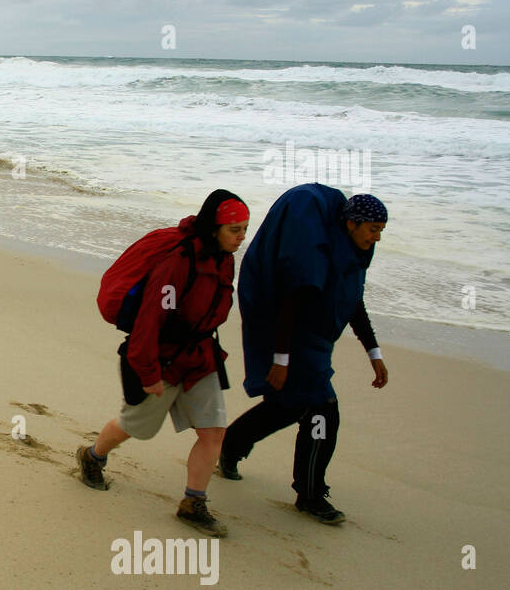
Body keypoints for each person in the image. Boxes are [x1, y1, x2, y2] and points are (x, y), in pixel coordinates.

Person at [76, 190, 251, 537]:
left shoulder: (225, 258)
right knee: (134, 426)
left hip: (201, 358)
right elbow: (150, 319)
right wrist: (148, 372)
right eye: (234, 229)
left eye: (245, 229)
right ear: (214, 228)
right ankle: (93, 456)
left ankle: (193, 503)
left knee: (213, 431)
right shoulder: (180, 261)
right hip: (163, 358)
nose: (241, 237)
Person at [218, 185, 389, 525]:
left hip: (316, 341)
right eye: (373, 230)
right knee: (323, 411)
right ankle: (310, 494)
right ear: (352, 223)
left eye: (382, 232)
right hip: (292, 338)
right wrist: (281, 360)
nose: (377, 238)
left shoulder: (352, 256)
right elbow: (291, 302)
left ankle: (230, 446)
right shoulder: (318, 255)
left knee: (288, 406)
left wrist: (374, 352)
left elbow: (355, 303)